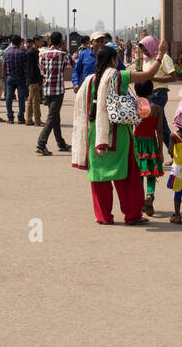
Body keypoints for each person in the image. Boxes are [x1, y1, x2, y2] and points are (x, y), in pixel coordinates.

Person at [71, 38, 169, 225]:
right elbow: (149, 74)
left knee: (99, 177)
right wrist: (161, 53)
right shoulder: (118, 76)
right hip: (119, 133)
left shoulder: (88, 81)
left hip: (95, 135)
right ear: (113, 60)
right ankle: (132, 214)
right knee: (127, 176)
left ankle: (104, 216)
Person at [138, 34, 176, 164]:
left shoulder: (163, 58)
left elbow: (173, 77)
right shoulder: (147, 60)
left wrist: (154, 78)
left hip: (159, 93)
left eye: (146, 49)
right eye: (142, 49)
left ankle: (174, 154)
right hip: (149, 95)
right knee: (159, 125)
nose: (144, 52)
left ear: (152, 46)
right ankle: (175, 153)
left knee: (159, 125)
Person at [35, 32, 71, 156]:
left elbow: (41, 69)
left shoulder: (42, 54)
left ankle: (60, 142)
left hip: (46, 89)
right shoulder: (62, 55)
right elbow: (70, 64)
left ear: (50, 41)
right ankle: (41, 143)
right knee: (52, 117)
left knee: (55, 117)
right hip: (57, 90)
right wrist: (65, 49)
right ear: (61, 41)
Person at [132, 80, 163, 214]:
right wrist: (160, 151)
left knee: (138, 174)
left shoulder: (133, 107)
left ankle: (139, 202)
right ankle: (150, 196)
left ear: (136, 91)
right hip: (151, 144)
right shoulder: (157, 109)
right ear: (152, 91)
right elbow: (160, 132)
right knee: (151, 174)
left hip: (136, 143)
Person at [4, 35, 28, 124]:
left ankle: (10, 117)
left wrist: (4, 75)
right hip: (20, 77)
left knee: (9, 97)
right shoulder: (22, 52)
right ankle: (21, 117)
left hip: (10, 77)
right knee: (21, 98)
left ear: (11, 42)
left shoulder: (7, 52)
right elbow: (25, 66)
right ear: (20, 42)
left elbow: (4, 64)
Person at [24, 35, 43, 126]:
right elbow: (31, 69)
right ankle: (37, 120)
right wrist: (35, 81)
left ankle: (29, 119)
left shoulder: (34, 52)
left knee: (31, 100)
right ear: (36, 41)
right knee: (35, 101)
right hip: (33, 80)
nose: (42, 43)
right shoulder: (31, 53)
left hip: (33, 79)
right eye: (40, 41)